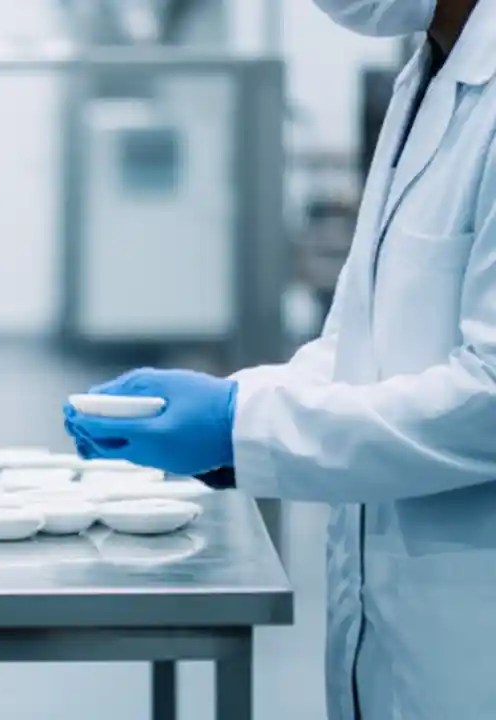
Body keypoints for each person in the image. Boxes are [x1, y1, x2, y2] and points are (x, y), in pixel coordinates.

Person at [62, 1, 495, 718]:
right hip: (401, 631)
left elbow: (488, 397)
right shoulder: (428, 74)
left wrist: (243, 425)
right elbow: (364, 345)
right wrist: (234, 405)